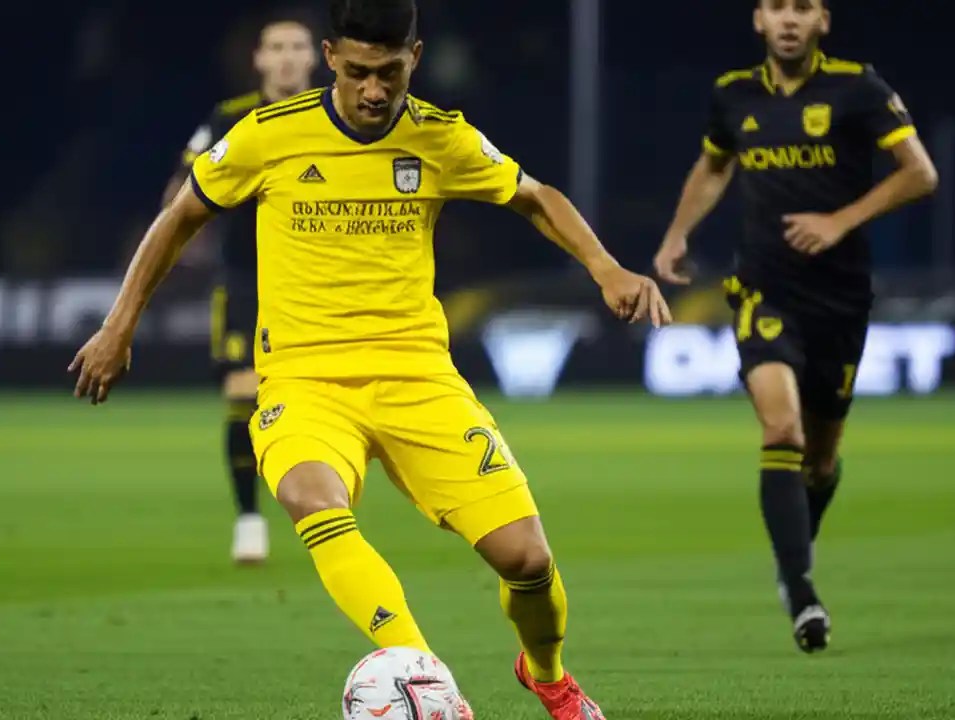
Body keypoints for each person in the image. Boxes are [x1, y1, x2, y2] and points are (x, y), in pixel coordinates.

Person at [71, 1, 670, 717]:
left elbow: (534, 197)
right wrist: (118, 326)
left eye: (389, 72)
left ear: (413, 59)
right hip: (305, 378)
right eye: (357, 72)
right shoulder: (267, 135)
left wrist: (606, 268)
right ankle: (424, 675)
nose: (374, 90)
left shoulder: (440, 138)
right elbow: (180, 217)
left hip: (419, 377)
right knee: (308, 496)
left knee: (528, 562)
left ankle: (548, 675)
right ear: (330, 58)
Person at [653, 0, 938, 653]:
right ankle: (800, 589)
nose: (788, 19)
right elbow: (715, 166)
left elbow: (921, 173)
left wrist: (840, 221)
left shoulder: (857, 87)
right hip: (763, 288)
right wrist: (676, 234)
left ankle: (793, 558)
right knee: (781, 426)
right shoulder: (734, 94)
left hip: (840, 297)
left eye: (802, 8)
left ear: (822, 21)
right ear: (759, 19)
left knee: (822, 459)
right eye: (777, 7)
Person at [160, 15, 318, 564]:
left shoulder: (336, 117)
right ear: (258, 59)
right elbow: (180, 191)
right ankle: (250, 520)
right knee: (240, 393)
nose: (287, 57)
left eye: (297, 46)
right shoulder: (229, 120)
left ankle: (324, 509)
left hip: (319, 282)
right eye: (276, 47)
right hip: (248, 282)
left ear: (315, 57)